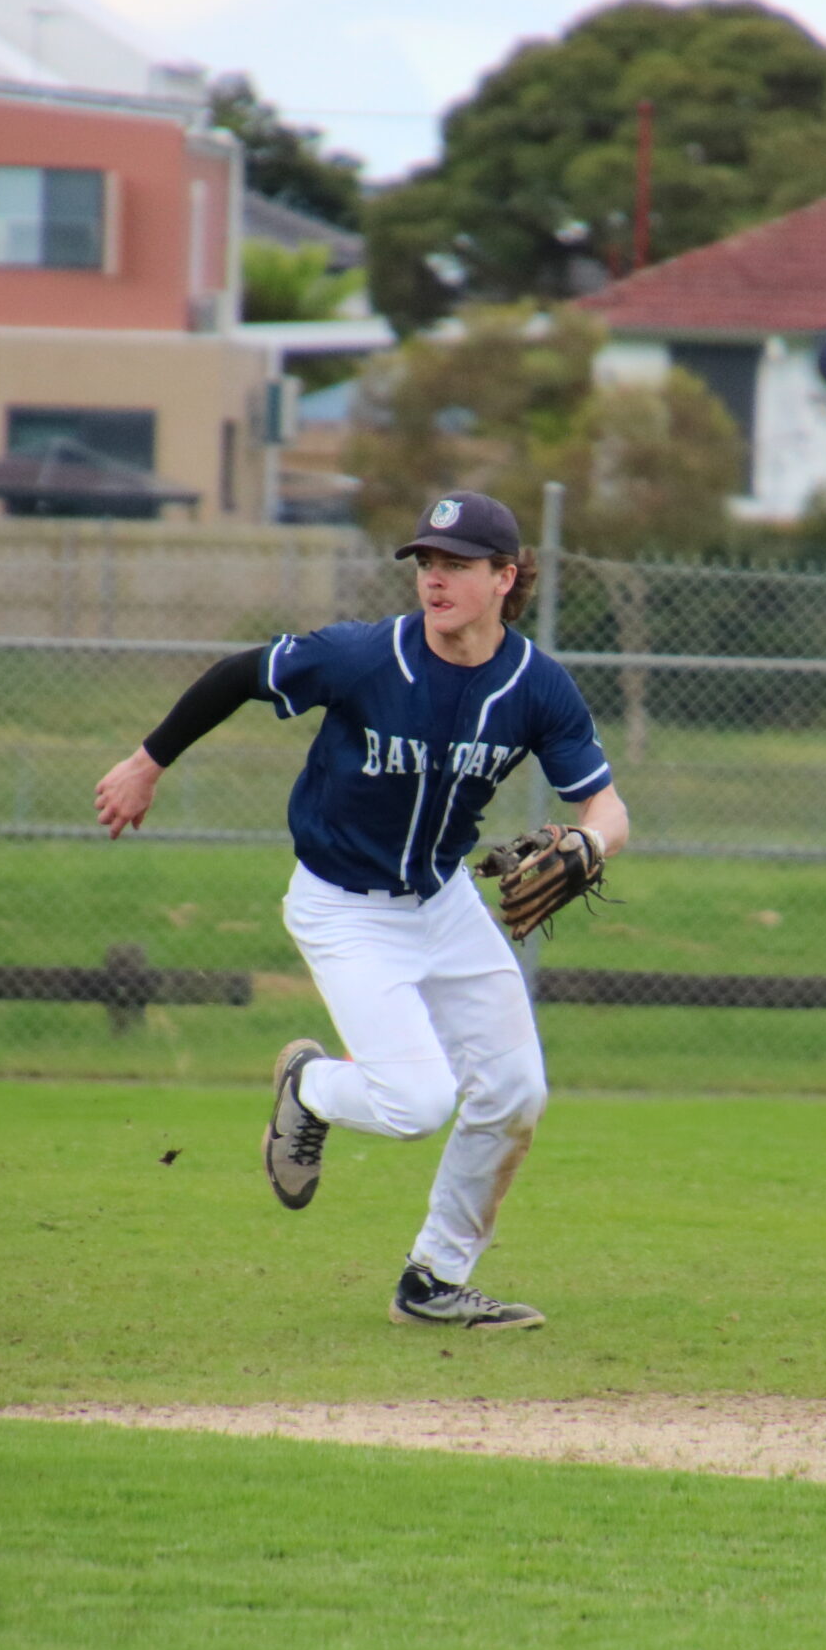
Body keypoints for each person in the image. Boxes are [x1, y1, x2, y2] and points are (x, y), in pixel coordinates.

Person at [94, 491, 627, 1331]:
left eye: (456, 563)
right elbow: (241, 674)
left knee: (517, 1091)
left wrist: (592, 847)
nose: (435, 578)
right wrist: (146, 761)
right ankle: (309, 1086)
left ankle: (434, 1280)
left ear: (505, 576)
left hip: (444, 902)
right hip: (343, 906)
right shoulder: (361, 656)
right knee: (416, 1104)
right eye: (426, 561)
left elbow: (608, 808)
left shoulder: (536, 686)